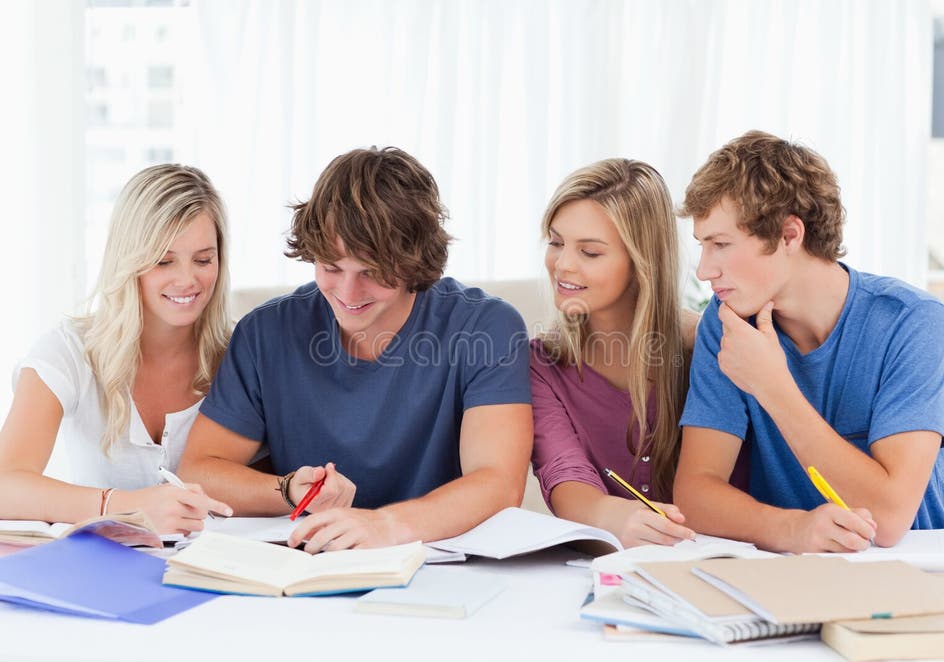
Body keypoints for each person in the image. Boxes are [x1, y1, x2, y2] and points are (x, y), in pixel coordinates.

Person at [178, 146, 532, 552]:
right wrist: (288, 490)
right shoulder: (266, 333)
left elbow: (498, 483)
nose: (347, 293)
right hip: (310, 562)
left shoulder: (485, 328)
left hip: (438, 562)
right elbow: (200, 470)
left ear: (414, 260)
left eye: (372, 272)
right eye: (331, 268)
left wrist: (385, 526)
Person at [673, 130, 944, 553]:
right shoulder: (729, 322)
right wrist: (793, 529)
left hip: (906, 569)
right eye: (703, 246)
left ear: (789, 235)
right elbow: (696, 494)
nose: (704, 270)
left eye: (721, 245)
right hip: (792, 570)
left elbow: (889, 519)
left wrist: (772, 386)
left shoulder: (913, 322)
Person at [0, 164, 233, 534]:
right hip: (102, 563)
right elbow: (5, 485)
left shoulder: (240, 353)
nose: (187, 279)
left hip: (217, 563)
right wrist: (124, 506)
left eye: (203, 260)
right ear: (129, 260)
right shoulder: (70, 351)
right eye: (164, 261)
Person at [529, 158, 747, 548]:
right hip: (610, 566)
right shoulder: (542, 364)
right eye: (556, 242)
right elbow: (563, 473)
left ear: (642, 262)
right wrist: (610, 515)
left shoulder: (711, 345)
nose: (562, 265)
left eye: (589, 252)